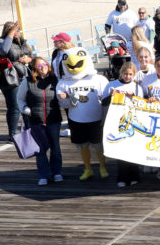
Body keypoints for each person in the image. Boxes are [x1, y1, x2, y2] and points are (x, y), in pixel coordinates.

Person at [57, 49, 110, 181]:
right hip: (76, 119)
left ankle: (102, 167)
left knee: (98, 144)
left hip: (96, 117)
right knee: (82, 145)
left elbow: (107, 100)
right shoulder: (63, 82)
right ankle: (88, 169)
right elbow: (63, 105)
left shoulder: (100, 79)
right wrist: (68, 100)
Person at [17, 56, 63, 186]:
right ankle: (44, 175)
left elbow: (63, 97)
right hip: (36, 120)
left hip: (53, 119)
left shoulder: (55, 80)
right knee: (40, 149)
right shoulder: (27, 82)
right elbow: (19, 99)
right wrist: (26, 110)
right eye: (39, 65)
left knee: (55, 147)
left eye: (44, 64)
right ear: (34, 69)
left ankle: (57, 172)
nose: (43, 67)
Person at [101, 61, 145, 188]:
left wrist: (135, 97)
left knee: (132, 151)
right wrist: (111, 96)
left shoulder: (137, 87)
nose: (127, 77)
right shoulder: (112, 85)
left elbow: (142, 105)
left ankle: (134, 177)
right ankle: (122, 177)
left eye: (130, 74)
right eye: (125, 74)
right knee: (120, 151)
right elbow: (103, 103)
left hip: (132, 122)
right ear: (121, 73)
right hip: (116, 122)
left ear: (134, 75)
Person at [0, 21, 33, 139]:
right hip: (10, 78)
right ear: (7, 31)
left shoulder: (22, 42)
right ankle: (13, 135)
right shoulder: (0, 42)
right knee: (14, 107)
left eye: (18, 30)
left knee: (27, 105)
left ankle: (29, 131)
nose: (16, 32)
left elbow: (32, 55)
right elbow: (5, 51)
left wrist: (29, 59)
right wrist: (11, 33)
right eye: (14, 30)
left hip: (25, 76)